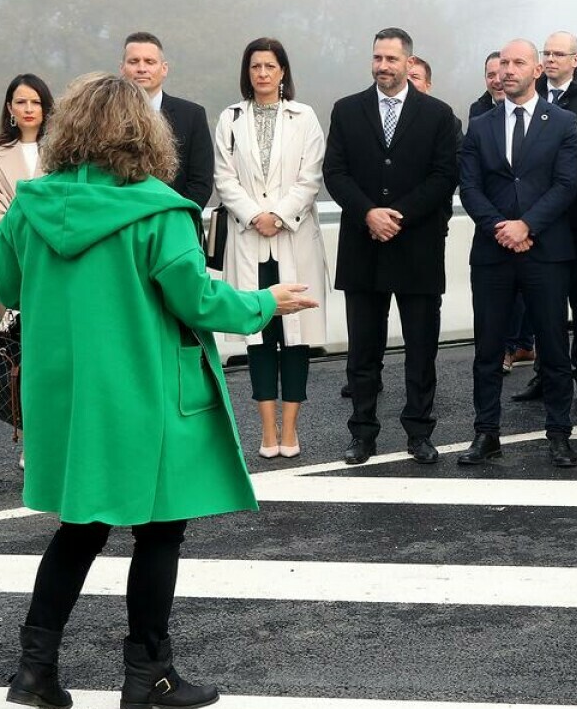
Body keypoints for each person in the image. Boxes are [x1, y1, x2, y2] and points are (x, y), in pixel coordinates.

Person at [0, 71, 317, 709]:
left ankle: (36, 668)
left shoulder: (26, 209)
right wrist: (265, 301)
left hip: (68, 395)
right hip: (146, 388)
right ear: (144, 133)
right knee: (160, 531)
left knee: (79, 528)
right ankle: (149, 675)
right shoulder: (161, 211)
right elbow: (196, 298)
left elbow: (7, 289)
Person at [323, 28, 461, 466]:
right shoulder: (347, 110)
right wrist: (368, 213)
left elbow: (444, 177)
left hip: (416, 247)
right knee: (364, 350)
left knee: (421, 349)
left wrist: (396, 214)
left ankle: (419, 432)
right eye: (377, 58)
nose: (383, 66)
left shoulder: (438, 115)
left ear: (408, 62)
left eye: (391, 59)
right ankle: (362, 433)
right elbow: (335, 172)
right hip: (363, 247)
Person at [456, 39, 577, 469]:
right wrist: (499, 227)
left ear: (537, 71)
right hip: (492, 253)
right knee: (488, 349)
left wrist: (527, 225)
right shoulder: (480, 124)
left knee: (552, 345)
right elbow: (469, 186)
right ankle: (485, 433)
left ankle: (559, 435)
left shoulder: (563, 122)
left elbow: (566, 184)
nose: (509, 70)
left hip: (545, 251)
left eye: (518, 63)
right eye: (503, 63)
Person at [212, 38, 330, 460]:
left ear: (283, 72)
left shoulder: (304, 117)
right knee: (258, 335)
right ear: (247, 72)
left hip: (293, 237)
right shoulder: (230, 117)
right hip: (248, 239)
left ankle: (292, 429)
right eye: (255, 66)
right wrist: (253, 216)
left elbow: (310, 175)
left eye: (270, 66)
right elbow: (224, 178)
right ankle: (266, 431)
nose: (262, 73)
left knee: (295, 338)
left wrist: (277, 215)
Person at [510, 31, 577, 409]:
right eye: (546, 53)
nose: (550, 59)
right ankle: (546, 374)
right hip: (539, 220)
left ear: (576, 59)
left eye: (558, 54)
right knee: (542, 302)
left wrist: (555, 185)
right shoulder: (529, 94)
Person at [0, 73, 51, 469]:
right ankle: (32, 441)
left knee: (57, 356)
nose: (29, 109)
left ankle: (61, 435)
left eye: (36, 102)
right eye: (21, 102)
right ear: (10, 108)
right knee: (24, 357)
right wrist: (17, 231)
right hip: (15, 262)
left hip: (55, 262)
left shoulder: (64, 150)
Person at [120, 31, 213, 208]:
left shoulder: (192, 115)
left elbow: (200, 183)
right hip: (119, 224)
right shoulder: (103, 116)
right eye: (133, 61)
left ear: (164, 69)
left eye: (150, 62)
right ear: (122, 69)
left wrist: (174, 217)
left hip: (175, 221)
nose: (141, 68)